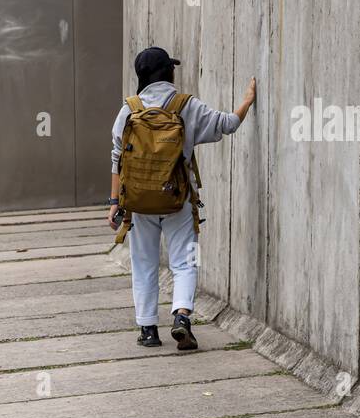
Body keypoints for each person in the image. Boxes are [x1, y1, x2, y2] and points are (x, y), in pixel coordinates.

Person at [109, 46, 255, 350]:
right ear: (168, 72)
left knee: (144, 263)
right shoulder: (187, 106)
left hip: (138, 204)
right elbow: (228, 124)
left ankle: (148, 329)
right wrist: (247, 101)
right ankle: (182, 316)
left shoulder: (129, 109)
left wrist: (114, 205)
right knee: (185, 262)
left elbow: (117, 160)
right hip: (178, 199)